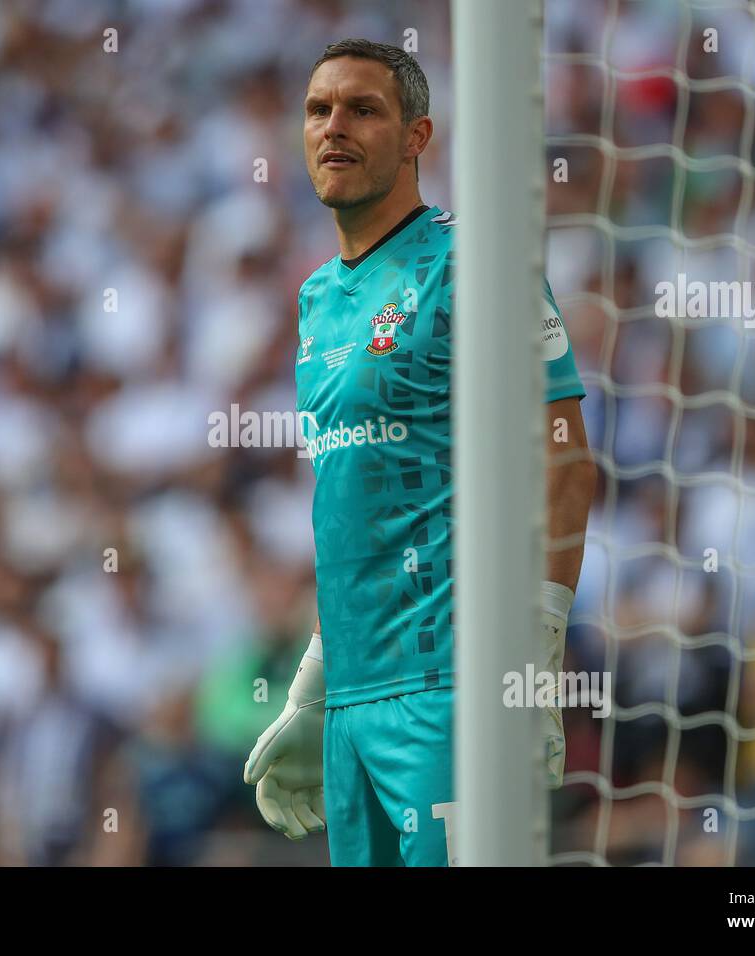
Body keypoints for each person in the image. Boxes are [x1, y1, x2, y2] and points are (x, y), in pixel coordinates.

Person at [243, 38, 596, 866]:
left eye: (364, 108)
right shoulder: (316, 299)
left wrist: (535, 656)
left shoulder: (477, 261)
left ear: (416, 137)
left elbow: (565, 461)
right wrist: (316, 685)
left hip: (453, 689)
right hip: (351, 709)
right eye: (318, 109)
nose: (335, 126)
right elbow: (359, 507)